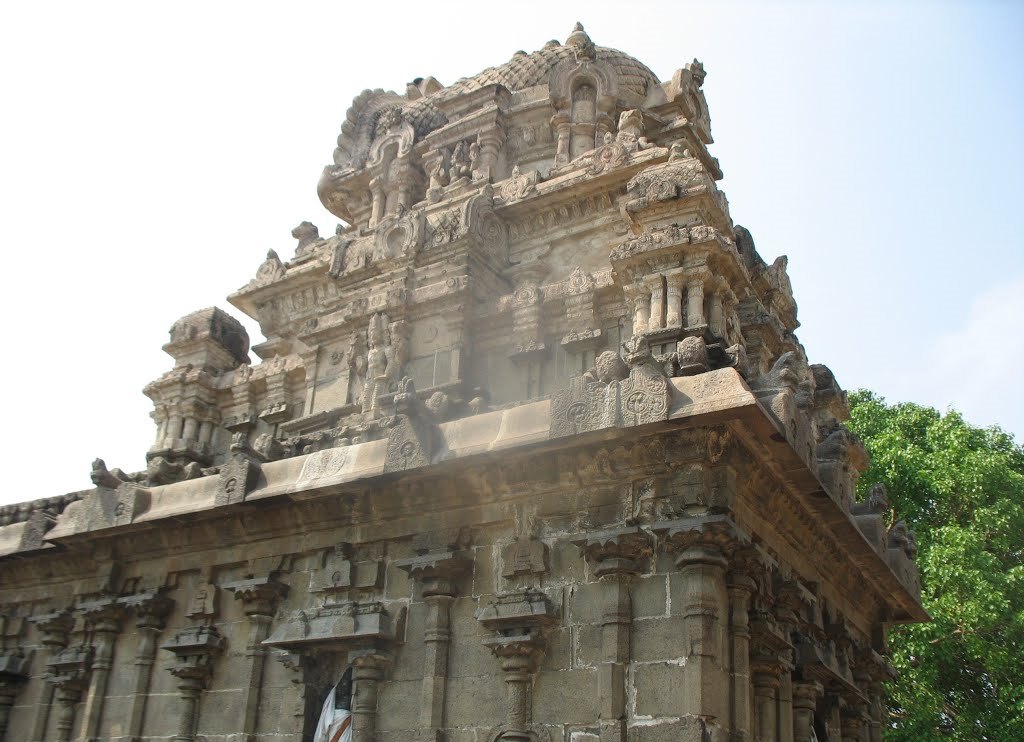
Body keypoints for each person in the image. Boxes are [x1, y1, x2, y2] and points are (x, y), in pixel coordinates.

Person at [313, 668, 353, 742]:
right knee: (344, 691)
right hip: (341, 714)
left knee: (343, 690)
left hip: (336, 714)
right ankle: (351, 670)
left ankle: (350, 670)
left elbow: (322, 736)